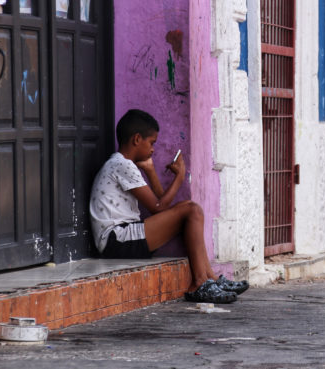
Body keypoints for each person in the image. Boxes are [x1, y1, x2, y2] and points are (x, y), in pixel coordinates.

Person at [90, 109, 249, 304]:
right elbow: (158, 206)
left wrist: (150, 171)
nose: (153, 150)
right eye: (152, 143)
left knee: (192, 210)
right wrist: (180, 177)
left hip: (122, 238)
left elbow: (160, 204)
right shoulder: (122, 164)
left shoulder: (122, 164)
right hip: (116, 240)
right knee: (191, 210)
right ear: (137, 139)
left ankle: (210, 278)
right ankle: (200, 282)